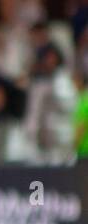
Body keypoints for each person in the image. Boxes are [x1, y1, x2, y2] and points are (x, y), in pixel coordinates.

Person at [24, 21, 65, 162]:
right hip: (38, 84)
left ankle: (49, 157)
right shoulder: (36, 48)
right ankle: (35, 155)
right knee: (34, 122)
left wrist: (34, 67)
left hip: (46, 85)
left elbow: (50, 65)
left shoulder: (50, 48)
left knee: (44, 121)